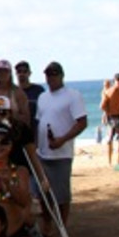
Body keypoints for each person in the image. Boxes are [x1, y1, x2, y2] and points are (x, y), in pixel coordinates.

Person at [35, 61, 87, 228]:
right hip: (42, 153)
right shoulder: (43, 97)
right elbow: (39, 122)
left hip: (62, 154)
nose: (51, 78)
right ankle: (48, 223)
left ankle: (62, 226)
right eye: (48, 74)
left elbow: (82, 122)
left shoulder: (72, 95)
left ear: (62, 75)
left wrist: (63, 139)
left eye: (54, 74)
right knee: (43, 193)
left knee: (62, 195)